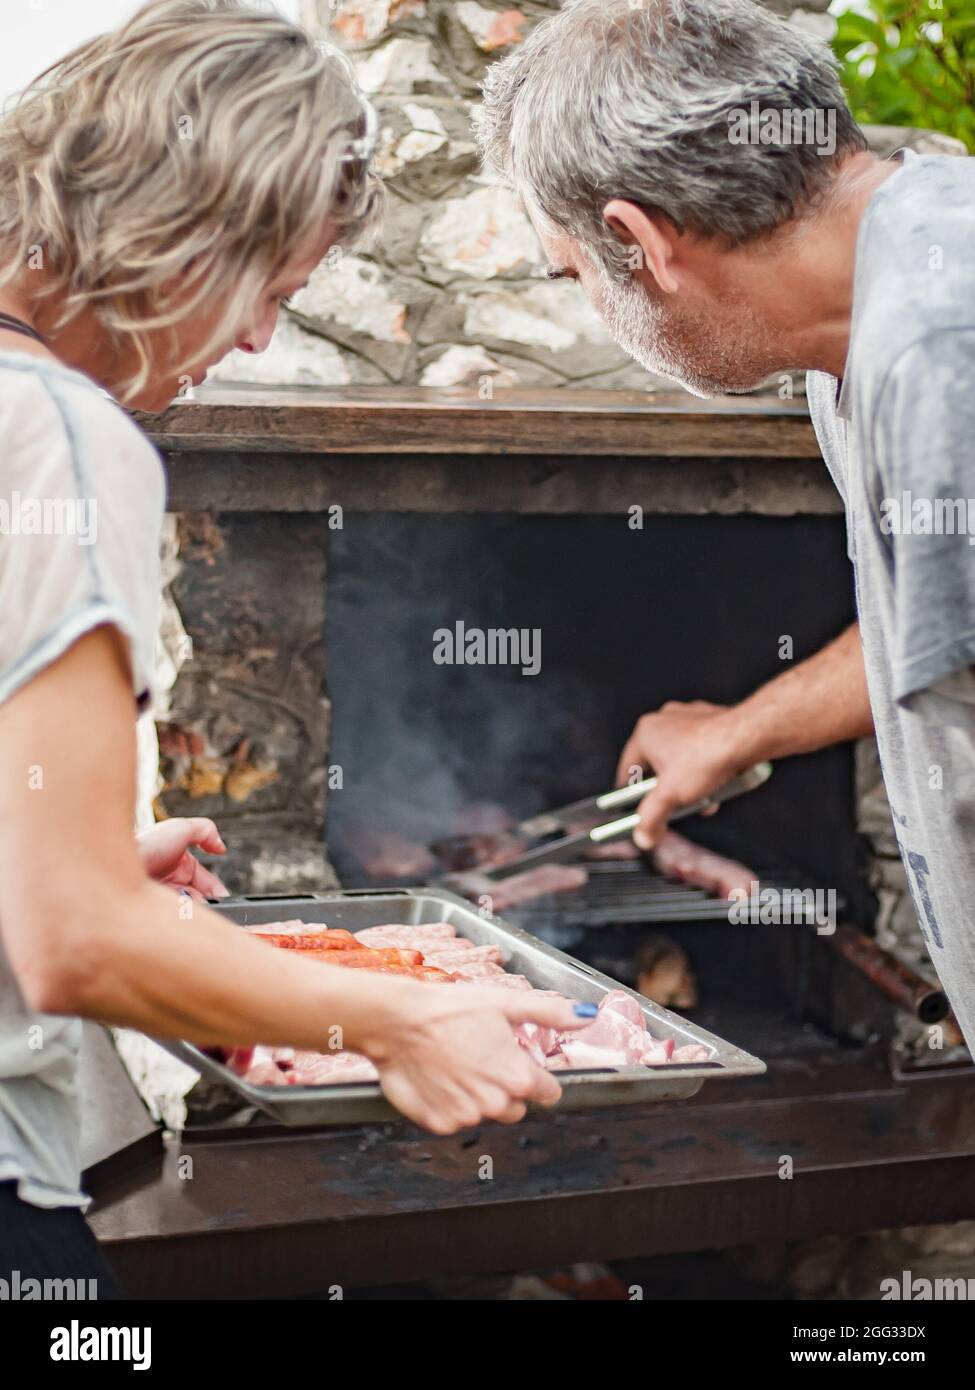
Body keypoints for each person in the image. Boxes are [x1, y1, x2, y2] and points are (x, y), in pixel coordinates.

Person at [0, 0, 586, 1295]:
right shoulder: (60, 436)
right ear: (189, 234)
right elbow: (76, 944)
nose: (261, 336)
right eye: (271, 286)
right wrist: (401, 1016)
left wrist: (64, 850)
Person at [477, 0, 975, 1044]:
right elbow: (948, 618)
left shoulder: (938, 354)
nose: (590, 313)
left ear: (639, 240)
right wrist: (741, 733)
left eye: (572, 276)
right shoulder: (883, 294)